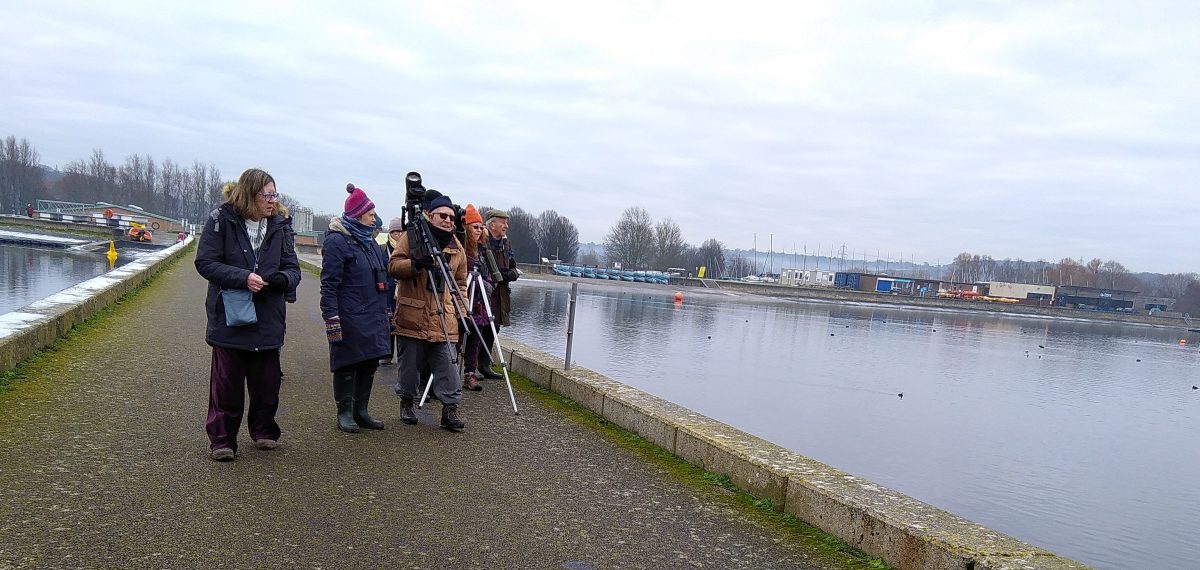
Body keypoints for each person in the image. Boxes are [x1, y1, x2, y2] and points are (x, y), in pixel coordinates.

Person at [194, 168, 300, 461]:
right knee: (227, 385)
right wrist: (242, 277)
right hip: (230, 313)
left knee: (267, 383)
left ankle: (264, 431)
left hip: (268, 314)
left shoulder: (280, 226)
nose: (272, 201)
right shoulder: (221, 220)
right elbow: (205, 262)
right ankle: (222, 439)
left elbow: (293, 269)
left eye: (274, 194)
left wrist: (281, 280)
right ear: (250, 195)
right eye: (267, 195)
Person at [388, 195, 468, 431]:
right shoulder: (412, 237)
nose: (447, 220)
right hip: (413, 315)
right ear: (430, 215)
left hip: (444, 317)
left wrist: (462, 312)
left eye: (451, 217)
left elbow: (461, 283)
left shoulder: (455, 246)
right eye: (442, 215)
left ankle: (450, 410)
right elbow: (393, 266)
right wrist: (416, 264)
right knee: (409, 368)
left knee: (449, 367)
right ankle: (407, 403)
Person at [320, 184, 391, 433]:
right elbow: (329, 285)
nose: (374, 218)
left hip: (373, 314)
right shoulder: (338, 242)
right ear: (359, 214)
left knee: (369, 362)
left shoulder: (369, 242)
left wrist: (386, 311)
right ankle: (345, 412)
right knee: (347, 362)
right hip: (349, 315)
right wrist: (332, 317)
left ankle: (362, 410)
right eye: (370, 214)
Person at [477, 208, 519, 379]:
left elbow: (513, 267)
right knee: (479, 328)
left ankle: (484, 365)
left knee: (493, 329)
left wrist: (510, 274)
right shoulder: (482, 242)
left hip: (501, 294)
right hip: (483, 293)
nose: (506, 226)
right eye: (503, 222)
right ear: (492, 224)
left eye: (506, 222)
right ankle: (471, 368)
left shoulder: (506, 244)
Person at [458, 204, 489, 392]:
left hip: (479, 301)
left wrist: (487, 285)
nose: (478, 231)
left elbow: (489, 276)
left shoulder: (483, 251)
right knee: (457, 338)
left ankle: (470, 373)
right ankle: (450, 375)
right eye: (475, 227)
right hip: (463, 300)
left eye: (480, 227)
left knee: (475, 339)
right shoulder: (461, 248)